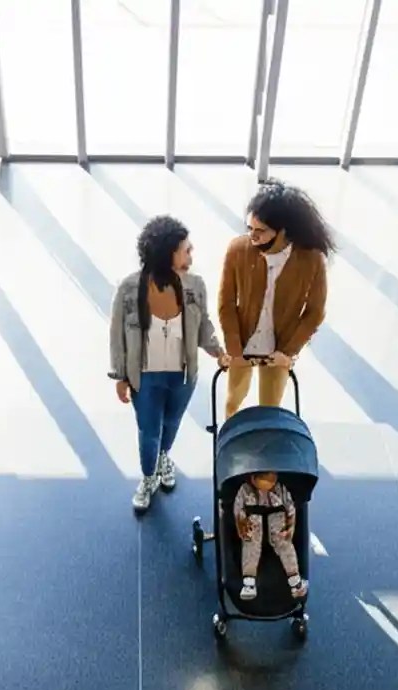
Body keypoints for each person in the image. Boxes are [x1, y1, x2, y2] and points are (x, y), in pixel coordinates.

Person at [109, 215, 228, 513]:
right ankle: (148, 477)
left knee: (171, 423)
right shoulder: (129, 288)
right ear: (167, 254)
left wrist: (218, 351)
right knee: (148, 430)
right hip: (145, 378)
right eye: (185, 249)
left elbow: (204, 326)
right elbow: (116, 334)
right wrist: (120, 376)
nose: (191, 252)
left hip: (182, 376)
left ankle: (165, 457)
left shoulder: (195, 286)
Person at [218, 179, 335, 418]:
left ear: (282, 232)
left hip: (279, 349)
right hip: (242, 343)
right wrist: (234, 350)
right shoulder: (237, 250)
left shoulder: (311, 260)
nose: (252, 236)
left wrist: (288, 353)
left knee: (270, 410)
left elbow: (315, 312)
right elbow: (226, 304)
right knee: (232, 404)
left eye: (260, 231)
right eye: (249, 228)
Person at [233, 470, 307, 600]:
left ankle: (295, 582)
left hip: (276, 521)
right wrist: (241, 526)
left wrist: (291, 526)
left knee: (285, 546)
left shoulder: (280, 488)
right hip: (253, 521)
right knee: (250, 547)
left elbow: (290, 508)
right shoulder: (245, 489)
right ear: (253, 478)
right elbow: (238, 509)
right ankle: (249, 583)